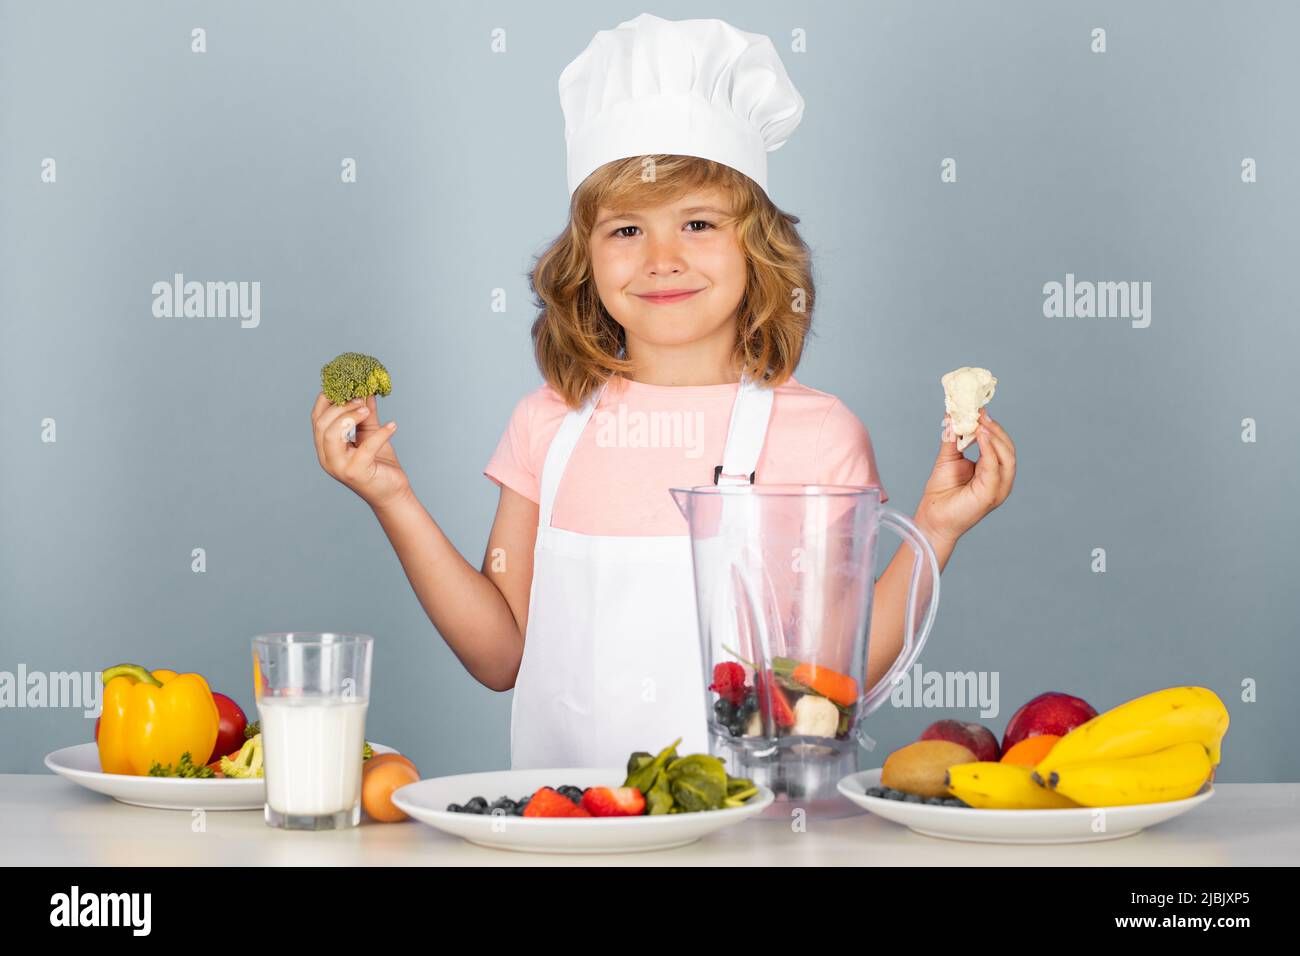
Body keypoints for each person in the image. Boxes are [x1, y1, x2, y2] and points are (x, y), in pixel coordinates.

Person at [310, 13, 1016, 770]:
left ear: (758, 249)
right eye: (625, 231)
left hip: (750, 842)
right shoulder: (546, 423)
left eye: (699, 223)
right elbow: (499, 657)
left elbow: (828, 686)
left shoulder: (819, 434)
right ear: (585, 258)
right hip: (573, 835)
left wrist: (937, 527)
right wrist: (392, 498)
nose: (661, 258)